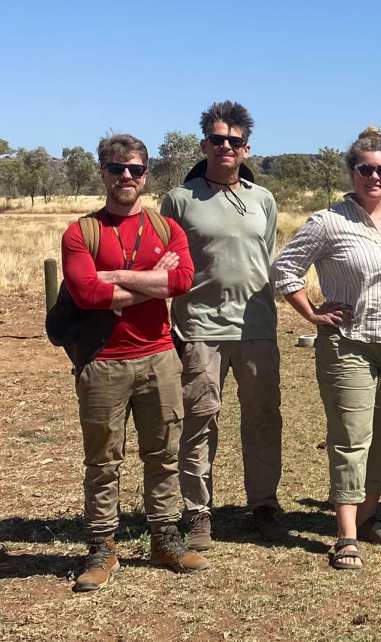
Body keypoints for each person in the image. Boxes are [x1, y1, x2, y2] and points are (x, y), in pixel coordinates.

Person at [271, 127, 381, 570]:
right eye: (366, 169)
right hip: (349, 346)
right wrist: (312, 314)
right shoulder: (329, 221)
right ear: (352, 172)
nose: (375, 176)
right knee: (350, 439)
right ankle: (346, 535)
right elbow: (285, 269)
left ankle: (367, 515)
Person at [63, 134, 207, 592]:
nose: (127, 176)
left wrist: (119, 278)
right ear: (102, 172)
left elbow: (182, 280)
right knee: (103, 461)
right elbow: (86, 294)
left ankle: (164, 538)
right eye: (117, 168)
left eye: (136, 169)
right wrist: (152, 281)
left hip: (160, 356)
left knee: (163, 454)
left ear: (147, 174)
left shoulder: (167, 228)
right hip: (103, 362)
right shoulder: (81, 231)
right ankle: (102, 546)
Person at [160, 101, 283, 550]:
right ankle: (197, 512)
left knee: (264, 418)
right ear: (204, 144)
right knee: (199, 420)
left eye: (234, 141)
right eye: (217, 139)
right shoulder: (181, 198)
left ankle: (264, 503)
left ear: (246, 148)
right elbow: (167, 262)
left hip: (257, 326)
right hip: (200, 328)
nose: (225, 147)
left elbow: (263, 255)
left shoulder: (263, 200)